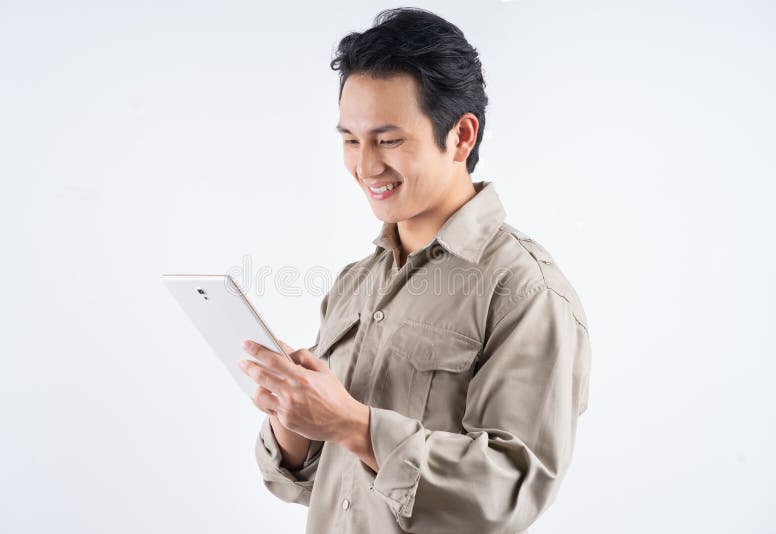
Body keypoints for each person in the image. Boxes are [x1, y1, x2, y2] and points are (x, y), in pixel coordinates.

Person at [239, 7, 591, 533]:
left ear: (461, 136)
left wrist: (353, 425)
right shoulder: (355, 283)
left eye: (388, 140)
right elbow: (318, 484)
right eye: (350, 140)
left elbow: (509, 492)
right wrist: (292, 413)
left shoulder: (525, 291)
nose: (365, 166)